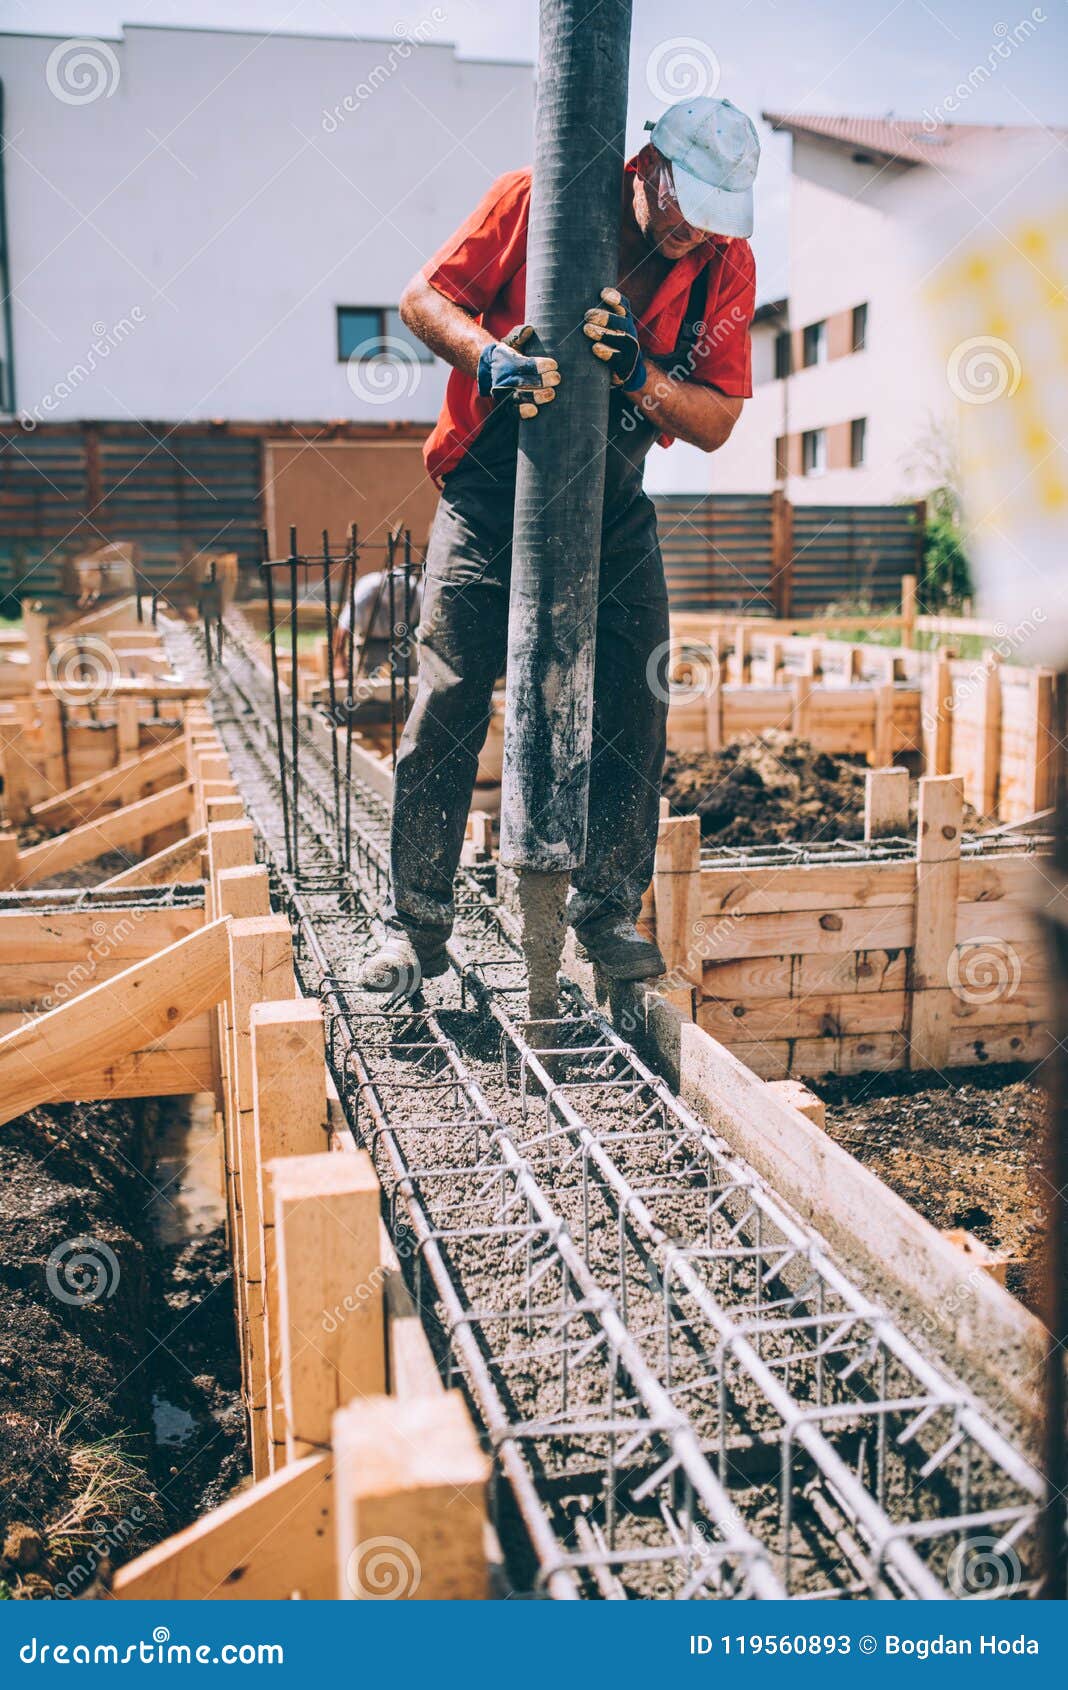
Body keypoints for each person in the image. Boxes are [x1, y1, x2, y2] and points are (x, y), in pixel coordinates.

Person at [357, 96, 759, 993]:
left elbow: (717, 420)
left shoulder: (723, 263)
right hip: (491, 486)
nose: (697, 233)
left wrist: (640, 375)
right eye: (688, 207)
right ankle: (412, 928)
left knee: (637, 694)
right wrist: (488, 358)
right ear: (648, 169)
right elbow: (423, 299)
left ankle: (606, 912)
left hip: (613, 498)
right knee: (450, 693)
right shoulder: (536, 198)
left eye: (716, 219)